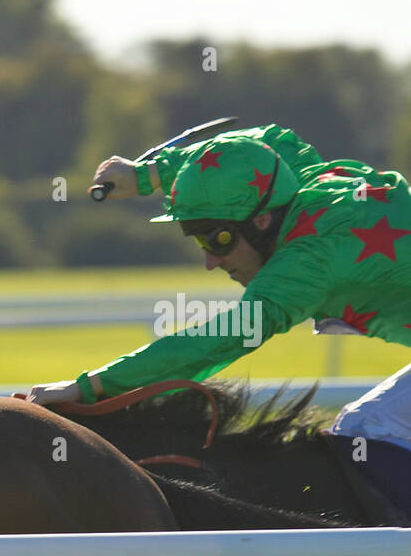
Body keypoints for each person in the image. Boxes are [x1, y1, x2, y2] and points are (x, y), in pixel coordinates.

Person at [26, 124, 411, 502]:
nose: (210, 260)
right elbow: (262, 140)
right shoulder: (297, 174)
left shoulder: (306, 264)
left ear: (261, 221)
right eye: (198, 240)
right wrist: (146, 175)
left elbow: (215, 342)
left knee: (367, 429)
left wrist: (87, 387)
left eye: (219, 239)